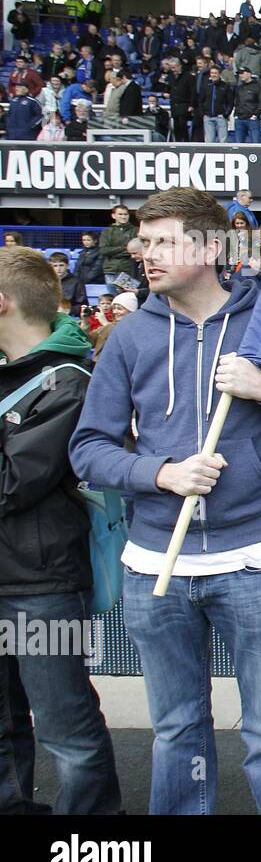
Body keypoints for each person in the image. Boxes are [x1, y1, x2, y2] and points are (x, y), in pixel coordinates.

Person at [69, 187, 261, 815]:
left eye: (162, 240)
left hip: (252, 564)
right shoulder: (130, 337)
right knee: (176, 729)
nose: (143, 252)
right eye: (142, 239)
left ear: (211, 247)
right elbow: (89, 450)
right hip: (153, 566)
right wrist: (162, 475)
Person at [0, 246, 122, 815]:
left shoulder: (68, 384)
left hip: (42, 588)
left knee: (65, 727)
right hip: (19, 580)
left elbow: (11, 483)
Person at [88, 291, 137, 361]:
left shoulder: (136, 326)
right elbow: (88, 340)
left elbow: (123, 339)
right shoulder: (111, 325)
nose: (115, 312)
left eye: (119, 309)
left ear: (131, 310)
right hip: (100, 364)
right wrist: (85, 323)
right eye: (114, 308)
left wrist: (105, 323)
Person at [232, 66, 261, 142]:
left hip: (252, 120)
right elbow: (236, 101)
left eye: (242, 73)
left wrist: (255, 115)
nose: (240, 75)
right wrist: (236, 114)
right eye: (239, 74)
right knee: (238, 144)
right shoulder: (239, 87)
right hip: (240, 118)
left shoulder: (257, 87)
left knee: (255, 143)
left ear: (249, 74)